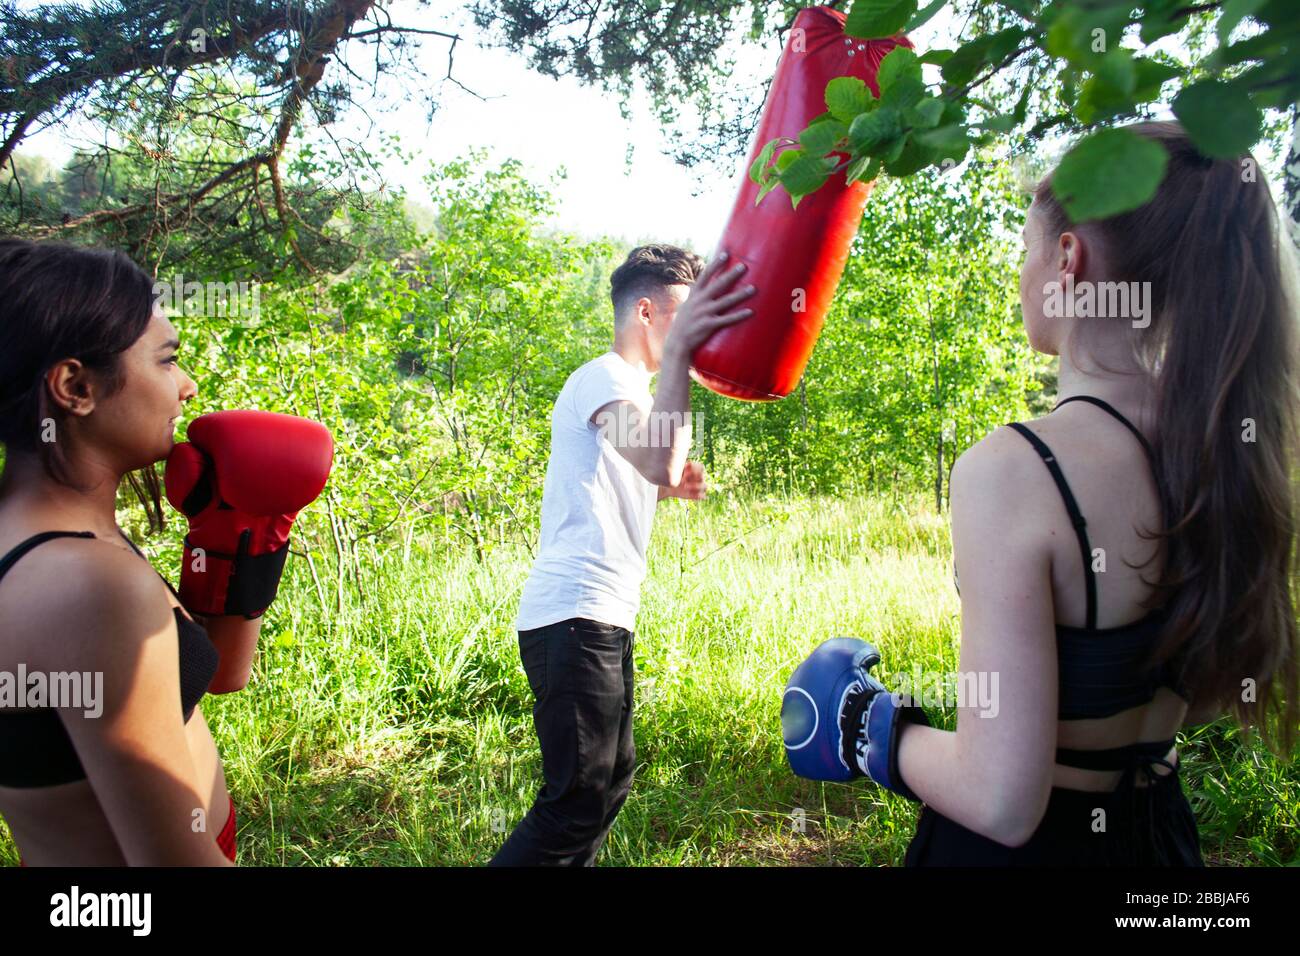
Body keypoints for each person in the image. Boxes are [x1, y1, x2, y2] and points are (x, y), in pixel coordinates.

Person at [784, 120, 1299, 865]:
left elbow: (1002, 799)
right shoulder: (1219, 451)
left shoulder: (1017, 468)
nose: (1020, 273)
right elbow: (1199, 689)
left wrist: (861, 728)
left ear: (1068, 258)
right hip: (1159, 842)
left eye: (1027, 250)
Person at [0, 240, 329, 866]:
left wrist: (242, 537)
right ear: (74, 386)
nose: (186, 385)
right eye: (166, 360)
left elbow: (218, 678)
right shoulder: (87, 584)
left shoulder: (45, 538)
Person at [490, 244, 757, 865]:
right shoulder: (603, 376)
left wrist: (671, 483)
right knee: (577, 797)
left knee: (609, 781)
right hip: (575, 611)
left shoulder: (630, 392)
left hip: (601, 614)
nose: (699, 332)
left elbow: (648, 467)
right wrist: (683, 364)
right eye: (687, 318)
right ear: (645, 311)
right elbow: (657, 455)